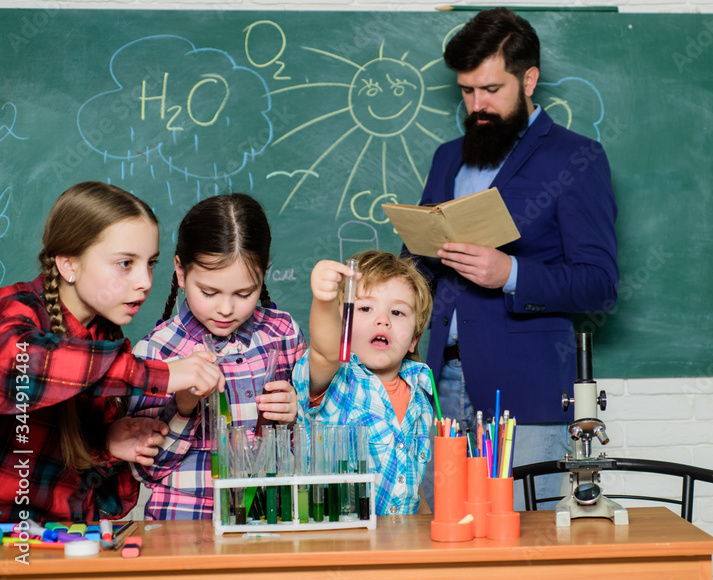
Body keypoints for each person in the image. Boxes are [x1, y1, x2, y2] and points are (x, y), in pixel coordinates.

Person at [410, 8, 619, 507]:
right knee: (441, 541)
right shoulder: (447, 157)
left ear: (529, 80)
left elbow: (600, 284)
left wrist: (512, 274)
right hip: (437, 385)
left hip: (525, 394)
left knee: (523, 544)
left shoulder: (575, 158)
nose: (476, 105)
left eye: (491, 90)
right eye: (466, 91)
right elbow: (418, 263)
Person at [0, 181, 223, 522]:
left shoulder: (105, 336)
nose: (145, 281)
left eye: (150, 263)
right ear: (68, 265)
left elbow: (104, 505)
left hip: (60, 548)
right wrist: (164, 374)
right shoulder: (16, 311)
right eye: (125, 263)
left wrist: (108, 446)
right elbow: (22, 366)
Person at [130, 193, 304, 520]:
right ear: (180, 273)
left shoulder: (284, 335)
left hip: (271, 524)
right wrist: (183, 406)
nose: (225, 309)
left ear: (263, 275)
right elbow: (145, 473)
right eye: (209, 292)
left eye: (244, 293)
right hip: (185, 533)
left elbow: (322, 439)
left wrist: (298, 412)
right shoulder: (155, 354)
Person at [293, 250, 434, 516]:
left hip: (400, 546)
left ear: (414, 338)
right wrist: (324, 301)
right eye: (366, 308)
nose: (383, 319)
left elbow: (410, 484)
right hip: (340, 546)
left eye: (398, 312)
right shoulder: (336, 379)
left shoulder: (419, 392)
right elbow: (326, 350)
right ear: (341, 326)